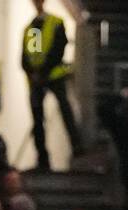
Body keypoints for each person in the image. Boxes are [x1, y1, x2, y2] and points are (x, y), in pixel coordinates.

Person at [23, 0, 83, 172]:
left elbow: (58, 48)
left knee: (65, 110)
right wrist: (32, 72)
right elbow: (30, 53)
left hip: (53, 76)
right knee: (38, 118)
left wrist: (41, 71)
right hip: (37, 79)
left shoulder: (55, 22)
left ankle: (76, 146)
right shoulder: (33, 26)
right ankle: (42, 158)